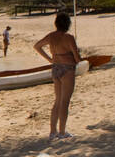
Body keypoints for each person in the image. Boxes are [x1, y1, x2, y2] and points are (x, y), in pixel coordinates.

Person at [33, 12, 83, 141]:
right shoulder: (69, 37)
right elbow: (77, 59)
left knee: (57, 100)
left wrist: (50, 59)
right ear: (68, 24)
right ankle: (62, 131)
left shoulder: (51, 36)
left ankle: (52, 131)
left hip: (55, 68)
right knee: (65, 101)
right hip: (68, 69)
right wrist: (78, 55)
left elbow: (37, 46)